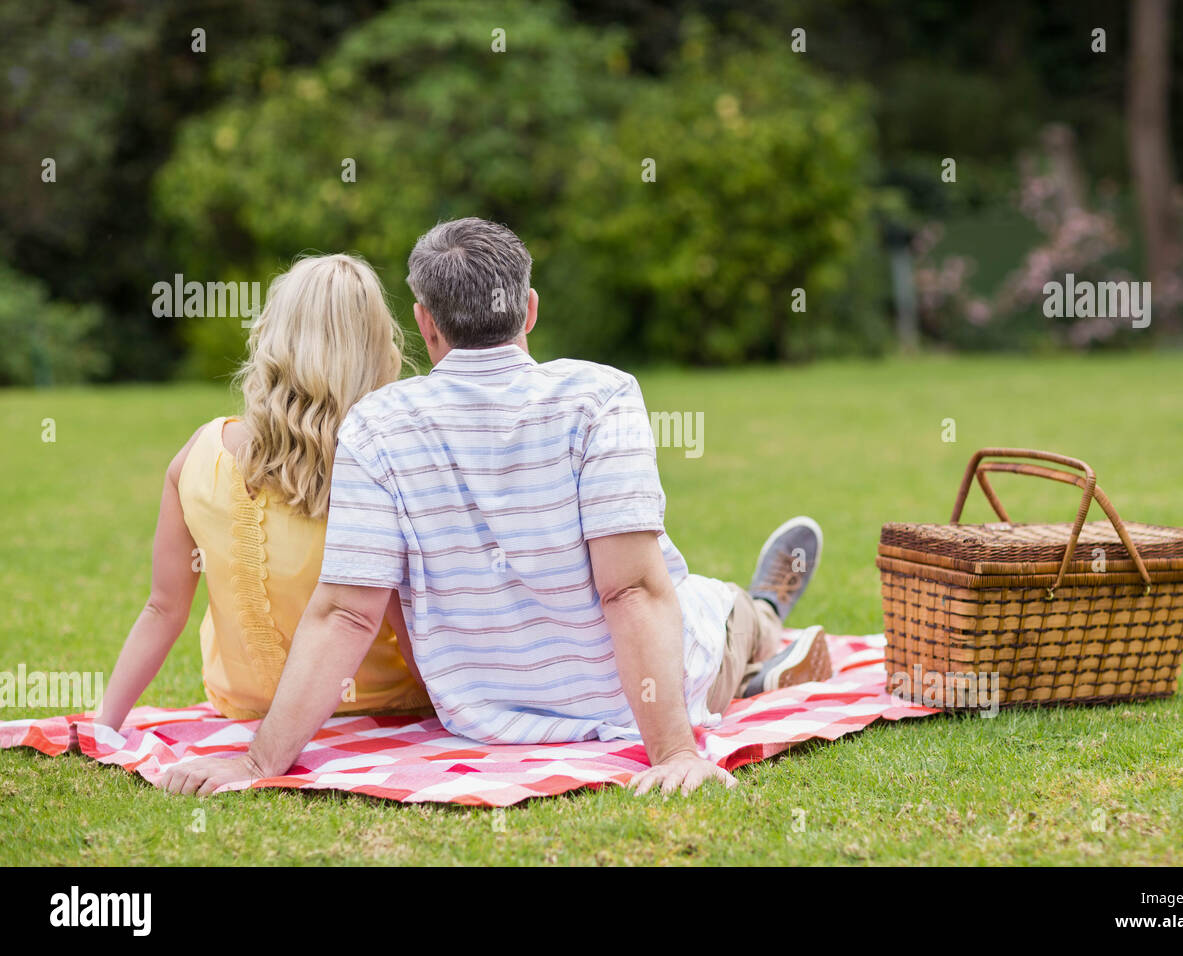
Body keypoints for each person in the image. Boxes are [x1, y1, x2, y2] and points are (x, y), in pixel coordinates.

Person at [160, 219, 829, 799]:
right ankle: (765, 622)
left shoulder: (376, 426)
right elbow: (629, 588)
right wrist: (676, 754)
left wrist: (256, 760)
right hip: (637, 703)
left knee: (702, 601)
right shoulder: (601, 396)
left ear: (425, 322)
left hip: (486, 719)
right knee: (714, 603)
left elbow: (346, 612)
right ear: (530, 309)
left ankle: (762, 644)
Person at [97, 255, 430, 732]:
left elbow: (163, 608)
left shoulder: (199, 454)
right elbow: (405, 623)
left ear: (272, 334)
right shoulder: (379, 465)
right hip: (385, 708)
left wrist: (104, 725)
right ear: (375, 349)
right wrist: (462, 718)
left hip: (246, 709)